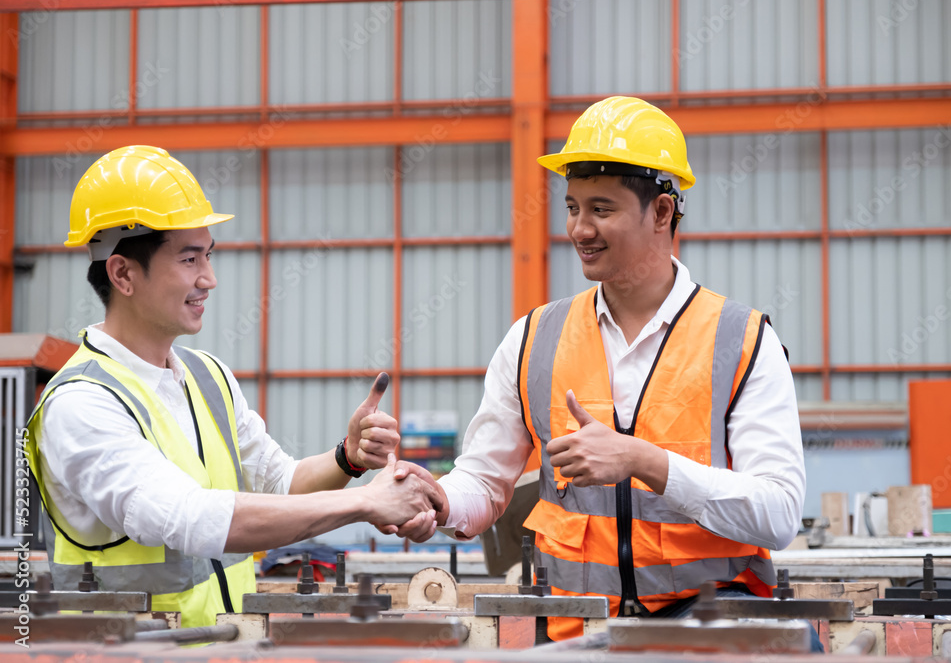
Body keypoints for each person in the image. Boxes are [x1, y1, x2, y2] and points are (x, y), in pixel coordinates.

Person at [388, 96, 807, 642]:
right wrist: (440, 500)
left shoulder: (742, 341)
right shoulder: (534, 339)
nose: (579, 229)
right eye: (572, 207)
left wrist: (644, 461)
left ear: (662, 213)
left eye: (601, 209)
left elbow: (778, 513)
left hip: (707, 625)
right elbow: (484, 481)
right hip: (574, 629)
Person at [24, 145, 440, 629]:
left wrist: (347, 458)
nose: (209, 278)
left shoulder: (208, 376)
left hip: (227, 649)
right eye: (189, 259)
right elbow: (189, 518)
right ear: (123, 273)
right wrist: (366, 502)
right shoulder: (80, 403)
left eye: (208, 255)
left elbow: (279, 484)